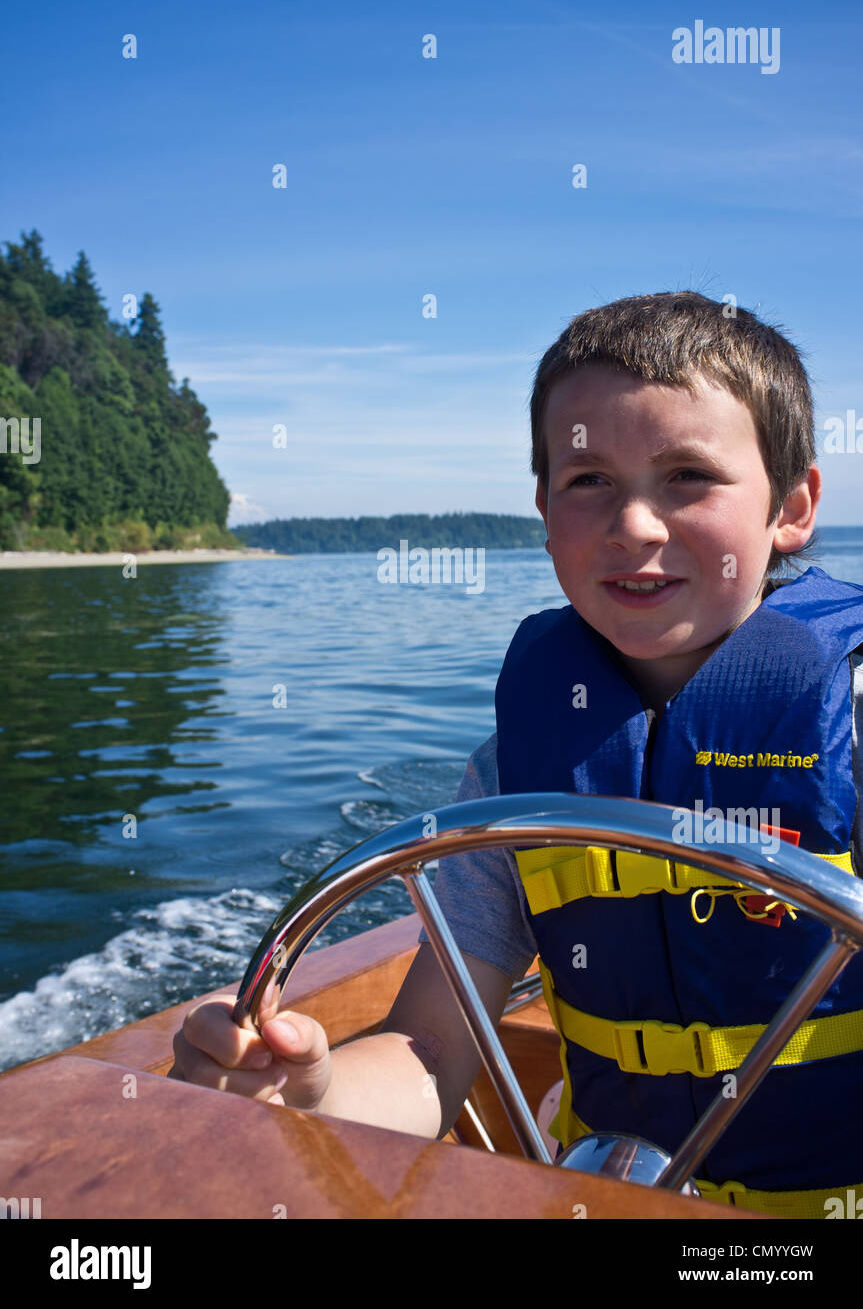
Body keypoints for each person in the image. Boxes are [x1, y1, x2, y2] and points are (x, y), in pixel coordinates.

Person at [169, 290, 863, 1217]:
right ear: (543, 509)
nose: (635, 527)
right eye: (589, 482)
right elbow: (429, 1052)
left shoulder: (850, 724)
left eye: (687, 476)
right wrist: (310, 1095)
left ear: (792, 506)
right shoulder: (515, 775)